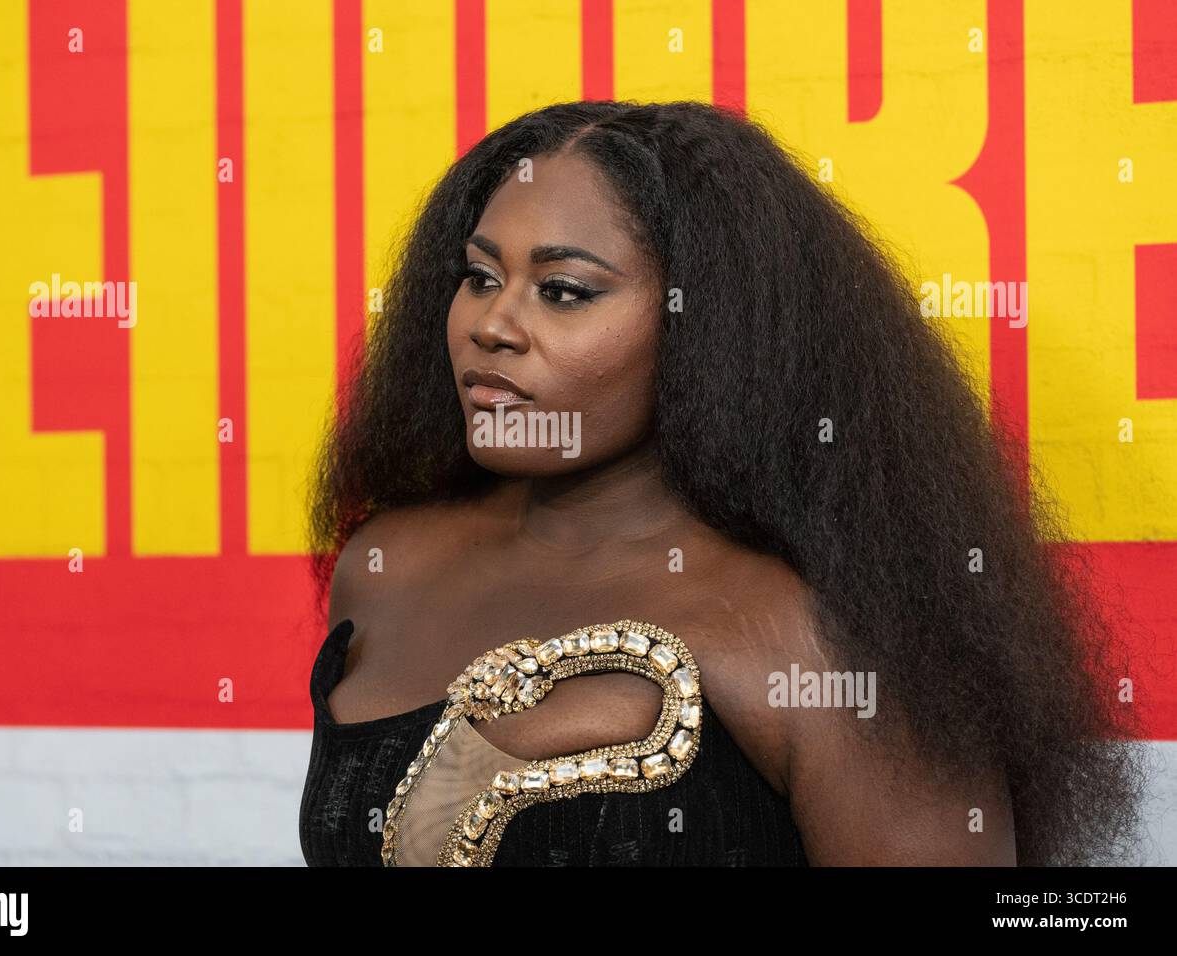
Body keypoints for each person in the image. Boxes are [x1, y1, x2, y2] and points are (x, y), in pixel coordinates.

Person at [299, 99, 1147, 866]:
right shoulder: (384, 567)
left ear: (706, 326)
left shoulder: (816, 635)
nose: (490, 323)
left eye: (562, 291)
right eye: (481, 276)